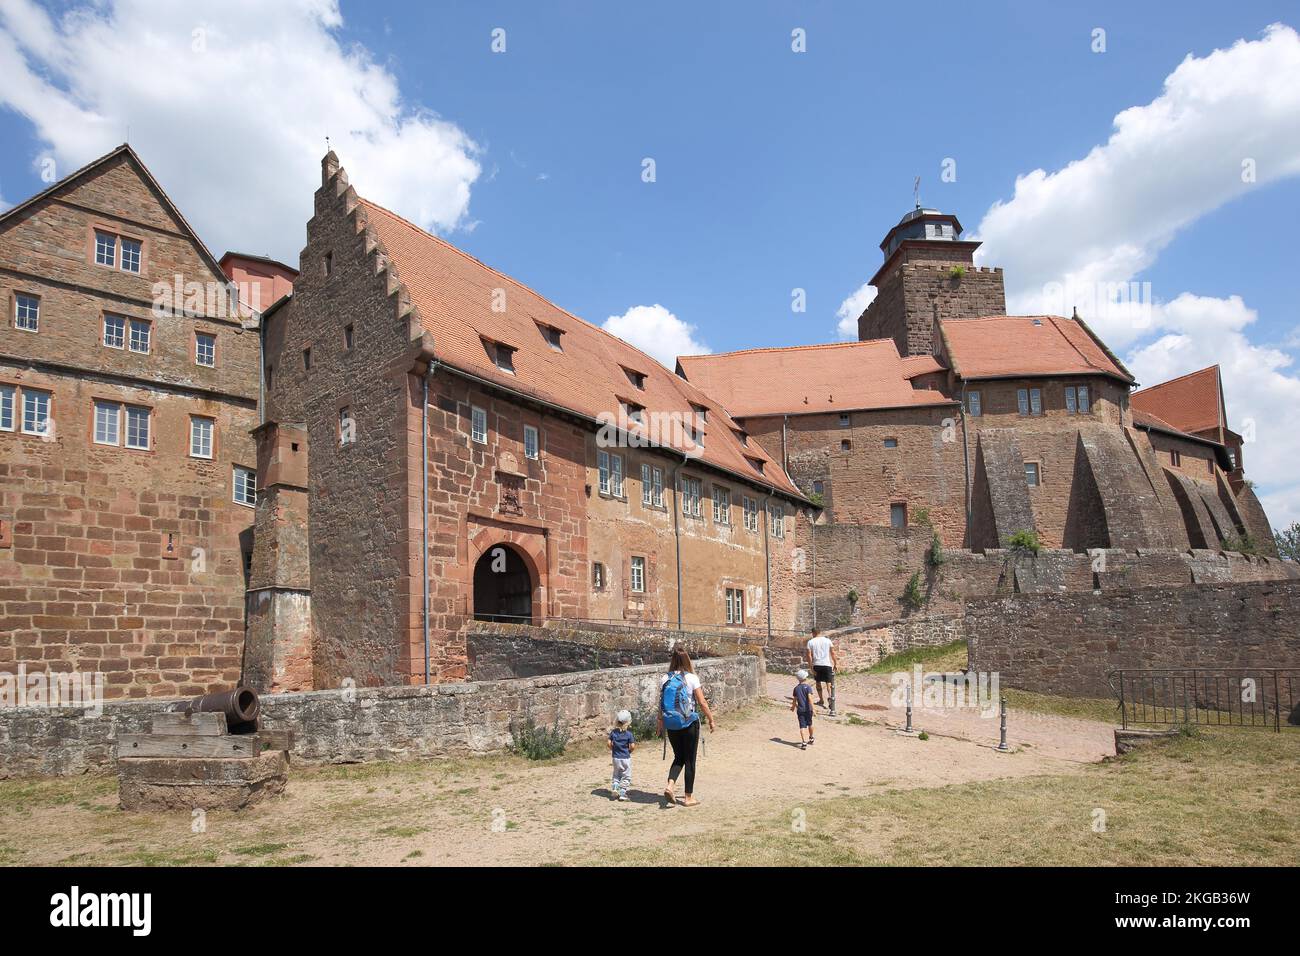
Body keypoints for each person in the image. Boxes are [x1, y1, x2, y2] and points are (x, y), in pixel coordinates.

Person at [657, 646, 715, 808]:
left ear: (673, 660)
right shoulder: (691, 678)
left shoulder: (665, 678)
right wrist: (711, 719)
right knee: (690, 760)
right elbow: (702, 702)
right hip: (689, 723)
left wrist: (660, 723)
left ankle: (670, 785)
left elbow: (660, 704)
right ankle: (688, 797)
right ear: (687, 660)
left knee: (678, 757)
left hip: (671, 724)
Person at [806, 628, 838, 710]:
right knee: (828, 683)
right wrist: (835, 663)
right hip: (827, 664)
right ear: (820, 632)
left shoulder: (810, 642)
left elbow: (809, 655)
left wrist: (811, 667)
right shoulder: (827, 641)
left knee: (818, 682)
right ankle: (830, 697)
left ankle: (821, 700)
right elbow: (832, 653)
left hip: (817, 664)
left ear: (813, 633)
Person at [607, 709, 635, 801]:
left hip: (615, 758)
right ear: (628, 722)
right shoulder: (629, 734)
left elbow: (609, 743)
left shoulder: (613, 732)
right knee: (626, 776)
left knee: (616, 774)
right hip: (626, 758)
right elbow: (632, 746)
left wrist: (613, 749)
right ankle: (622, 793)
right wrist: (629, 751)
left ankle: (615, 787)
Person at [791, 669, 815, 749]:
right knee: (810, 724)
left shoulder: (796, 688)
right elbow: (810, 699)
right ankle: (811, 738)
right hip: (808, 709)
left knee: (802, 726)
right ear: (805, 678)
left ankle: (804, 742)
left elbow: (794, 700)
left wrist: (793, 707)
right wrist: (814, 709)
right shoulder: (808, 687)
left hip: (800, 710)